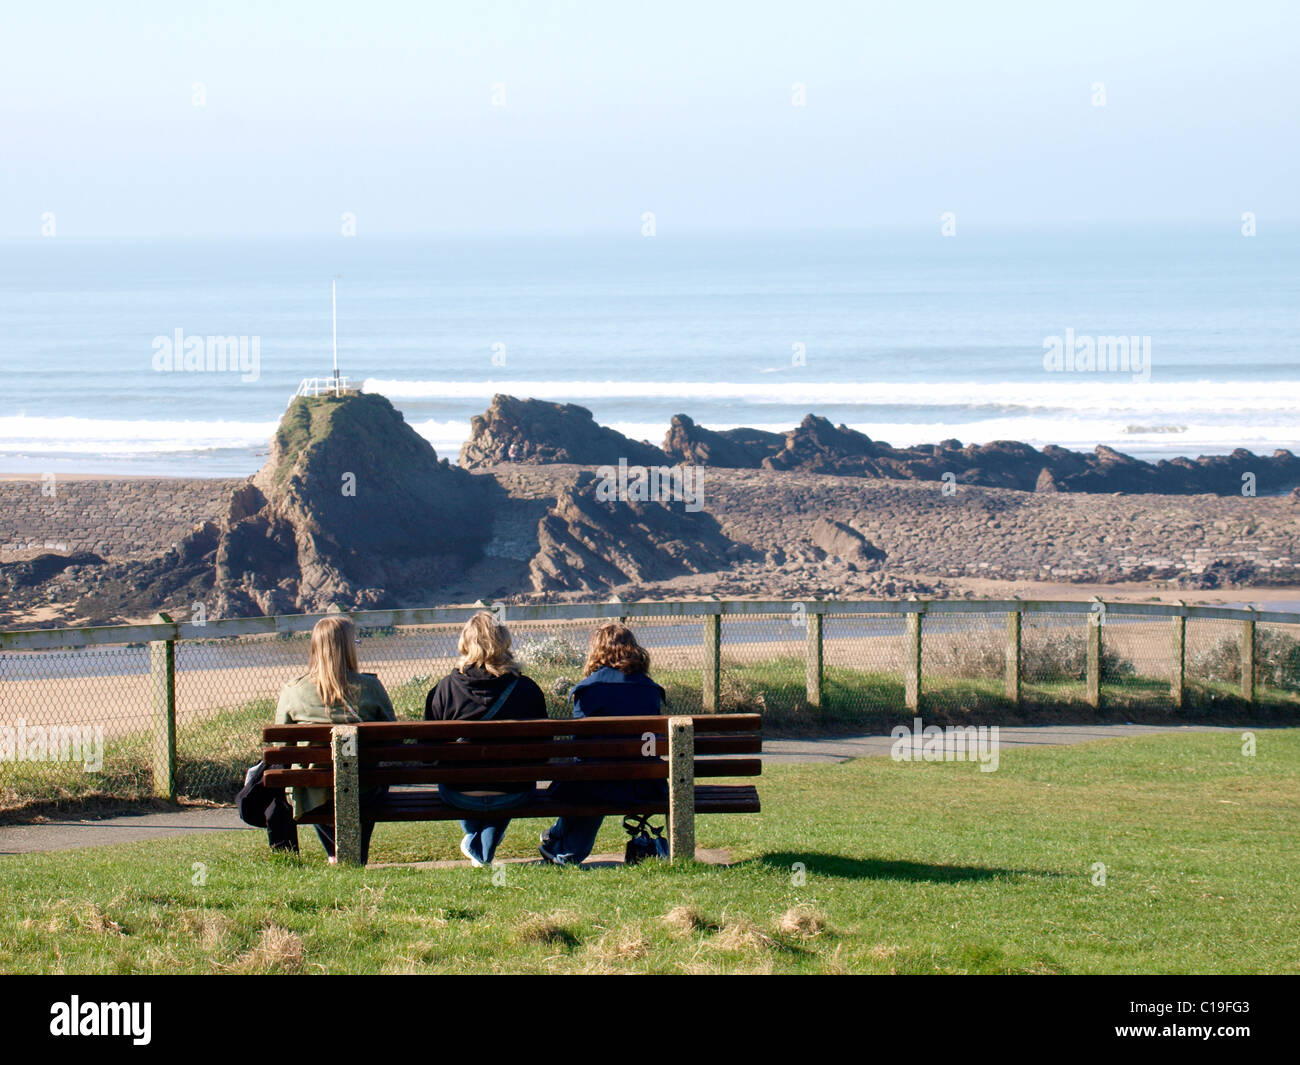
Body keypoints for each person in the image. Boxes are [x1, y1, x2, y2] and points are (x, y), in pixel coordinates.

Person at [424, 612, 548, 866]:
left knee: (468, 782)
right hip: (513, 792)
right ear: (504, 641)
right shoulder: (527, 689)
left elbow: (429, 753)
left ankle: (476, 844)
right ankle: (479, 847)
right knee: (506, 785)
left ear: (465, 643)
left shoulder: (443, 689)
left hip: (459, 793)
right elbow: (543, 752)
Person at [539, 621, 667, 866]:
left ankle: (563, 848)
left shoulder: (587, 690)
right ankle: (560, 847)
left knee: (586, 778)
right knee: (595, 778)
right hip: (642, 784)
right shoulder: (651, 690)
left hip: (595, 784)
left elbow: (581, 749)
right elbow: (650, 745)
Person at [274, 616, 396, 864]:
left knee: (309, 782)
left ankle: (335, 852)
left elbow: (281, 748)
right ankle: (351, 855)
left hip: (313, 793)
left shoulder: (293, 690)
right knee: (364, 779)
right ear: (350, 648)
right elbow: (393, 741)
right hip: (366, 790)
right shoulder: (371, 688)